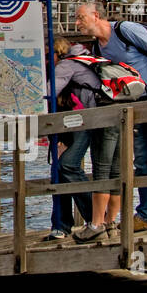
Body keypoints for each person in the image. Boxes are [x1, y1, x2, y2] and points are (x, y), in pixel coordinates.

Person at [75, 1, 147, 231]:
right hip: (136, 104)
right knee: (142, 159)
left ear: (96, 15)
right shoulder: (99, 47)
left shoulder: (125, 30)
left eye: (80, 18)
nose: (77, 23)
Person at [46, 37, 95, 240]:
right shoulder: (73, 63)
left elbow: (47, 95)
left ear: (58, 52)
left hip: (85, 121)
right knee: (59, 170)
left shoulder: (67, 65)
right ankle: (61, 225)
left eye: (50, 55)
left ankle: (96, 219)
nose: (48, 59)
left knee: (67, 166)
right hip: (69, 123)